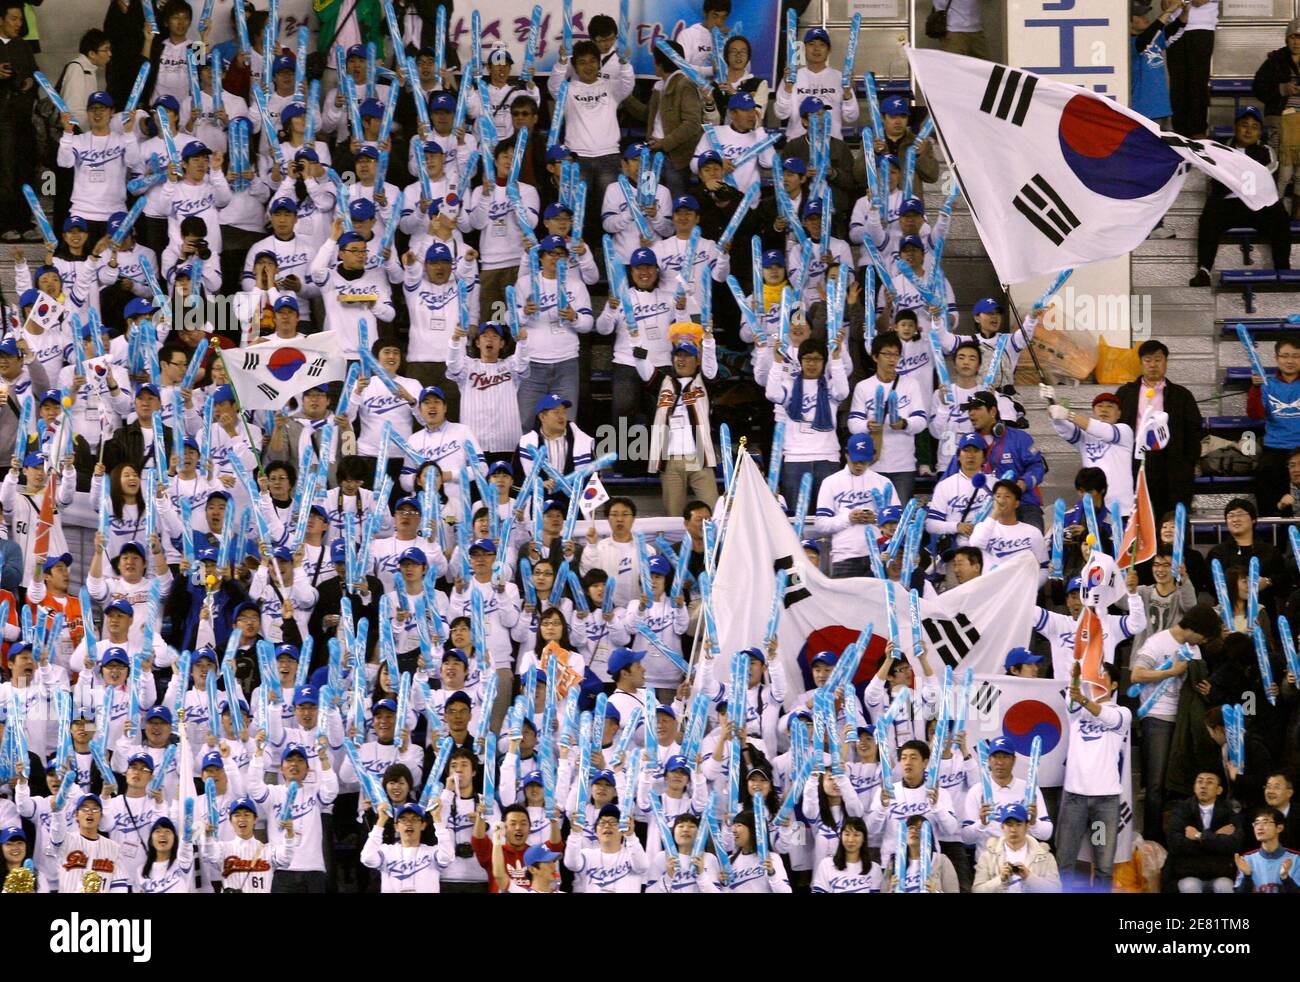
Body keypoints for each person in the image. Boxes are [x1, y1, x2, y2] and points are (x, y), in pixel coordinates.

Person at [1130, 602, 1222, 844]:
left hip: (1184, 719)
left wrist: (1205, 687)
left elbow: (1194, 680)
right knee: (1156, 783)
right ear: (1196, 628)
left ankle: (1177, 837)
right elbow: (1136, 675)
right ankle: (1152, 840)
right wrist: (1169, 672)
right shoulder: (1158, 642)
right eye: (1204, 636)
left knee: (1180, 781)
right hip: (1157, 717)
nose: (1203, 641)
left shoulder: (1195, 650)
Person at [1189, 106, 1291, 285]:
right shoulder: (1220, 149)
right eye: (1244, 125)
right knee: (1210, 214)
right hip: (1229, 205)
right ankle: (1204, 270)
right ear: (1235, 128)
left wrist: (1235, 179)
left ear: (1260, 132)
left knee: (1280, 215)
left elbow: (1265, 177)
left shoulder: (1266, 151)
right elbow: (1218, 179)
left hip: (1257, 205)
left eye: (1254, 126)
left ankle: (1282, 269)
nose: (1249, 130)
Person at [1054, 661, 1131, 892]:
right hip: (1074, 798)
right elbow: (1072, 702)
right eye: (1094, 677)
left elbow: (1106, 717)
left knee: (1103, 866)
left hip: (1104, 802)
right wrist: (1076, 679)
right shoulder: (1077, 711)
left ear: (1114, 684)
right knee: (1065, 862)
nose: (1097, 681)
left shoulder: (1122, 713)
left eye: (1103, 677)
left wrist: (1083, 699)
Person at [1116, 340, 1204, 523]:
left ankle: (1172, 551)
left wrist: (1189, 463)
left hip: (1172, 464)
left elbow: (1194, 431)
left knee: (1171, 520)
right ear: (1141, 364)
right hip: (1135, 462)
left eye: (1158, 359)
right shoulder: (1125, 393)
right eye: (1148, 360)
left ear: (1166, 362)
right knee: (1140, 519)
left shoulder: (1182, 395)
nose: (1153, 365)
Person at [1246, 337, 1300, 516]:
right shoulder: (1266, 385)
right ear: (1277, 359)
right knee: (1264, 472)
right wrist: (1255, 389)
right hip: (1275, 449)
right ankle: (1273, 536)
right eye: (1285, 356)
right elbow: (1255, 415)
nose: (1290, 361)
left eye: (1295, 356)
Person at [1252, 17, 1300, 215]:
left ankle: (1297, 210)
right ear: (1286, 39)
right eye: (1292, 37)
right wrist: (1281, 88)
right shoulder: (1275, 61)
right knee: (1280, 168)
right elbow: (1258, 88)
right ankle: (1273, 208)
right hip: (1280, 120)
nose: (1296, 42)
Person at [1166, 771, 1241, 893]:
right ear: (1194, 787)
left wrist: (1198, 836)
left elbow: (1234, 843)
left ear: (1219, 790)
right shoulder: (1182, 810)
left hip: (1220, 873)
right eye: (1199, 781)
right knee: (1191, 887)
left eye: (1209, 782)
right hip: (1188, 873)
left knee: (1225, 886)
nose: (1203, 786)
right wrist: (1216, 837)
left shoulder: (1229, 811)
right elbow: (1175, 844)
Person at [971, 803, 1061, 893]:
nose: (1013, 830)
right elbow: (977, 890)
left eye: (1018, 824)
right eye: (1009, 824)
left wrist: (1029, 877)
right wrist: (1000, 880)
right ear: (1002, 827)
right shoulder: (987, 856)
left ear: (1027, 826)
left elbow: (1056, 890)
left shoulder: (1045, 856)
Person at [1166, 0, 1218, 139]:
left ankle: (1197, 130)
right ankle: (1179, 131)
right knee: (1177, 83)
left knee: (1198, 82)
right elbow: (1167, 5)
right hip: (1175, 27)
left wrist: (1180, 2)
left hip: (1201, 29)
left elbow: (1198, 2)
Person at [1234, 807, 1300, 892]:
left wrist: (1285, 878)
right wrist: (1247, 876)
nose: (1259, 827)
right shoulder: (1247, 859)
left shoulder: (1296, 858)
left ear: (1279, 828)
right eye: (1256, 823)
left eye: (1265, 822)